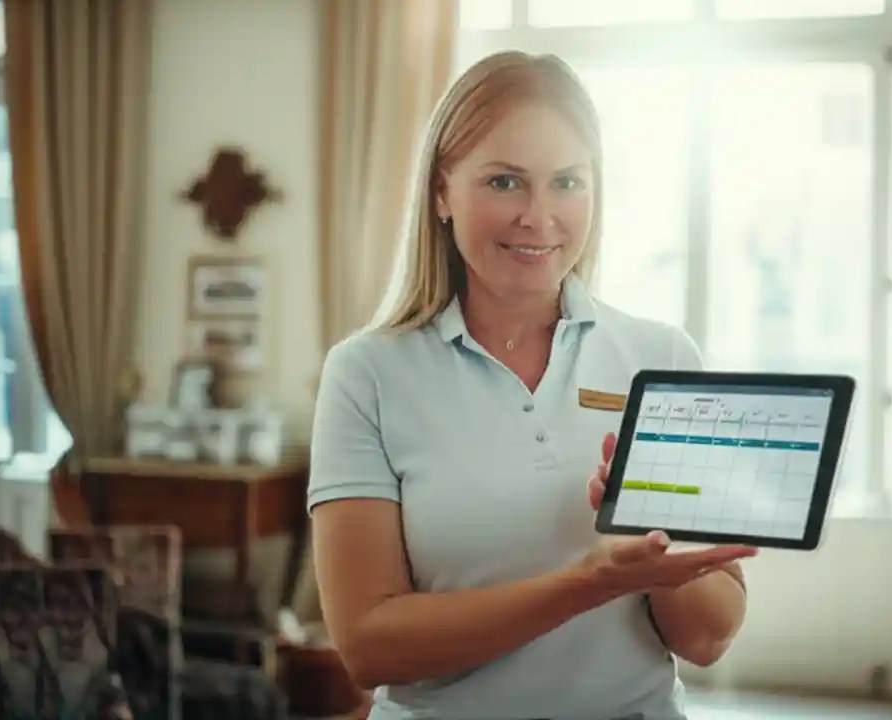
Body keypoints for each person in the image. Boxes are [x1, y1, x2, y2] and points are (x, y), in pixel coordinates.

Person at [307, 51, 757, 720]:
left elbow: (707, 639)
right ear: (441, 192)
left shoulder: (660, 358)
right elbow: (371, 648)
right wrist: (588, 583)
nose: (539, 217)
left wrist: (649, 537)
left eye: (567, 182)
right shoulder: (366, 373)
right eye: (505, 182)